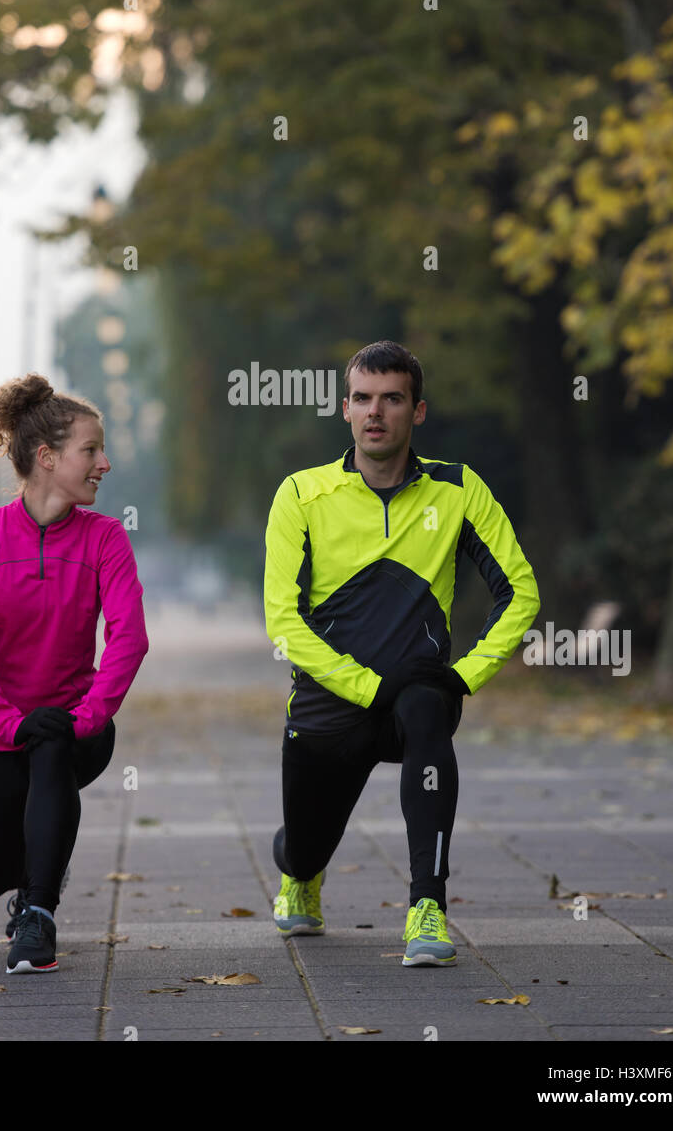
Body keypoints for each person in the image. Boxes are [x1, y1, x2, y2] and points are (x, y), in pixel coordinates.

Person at [264, 340, 540, 967]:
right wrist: (367, 687)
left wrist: (462, 678)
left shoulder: (459, 489)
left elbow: (520, 593)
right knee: (304, 847)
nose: (375, 412)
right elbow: (282, 621)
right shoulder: (301, 494)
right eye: (363, 399)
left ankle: (427, 907)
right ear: (345, 409)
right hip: (328, 705)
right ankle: (300, 874)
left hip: (415, 693)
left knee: (426, 708)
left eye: (392, 399)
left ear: (417, 411)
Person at [0, 374, 148, 974]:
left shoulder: (106, 539)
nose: (104, 464)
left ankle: (39, 915)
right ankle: (26, 885)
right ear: (47, 457)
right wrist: (9, 723)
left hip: (75, 727)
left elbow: (129, 638)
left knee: (52, 746)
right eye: (92, 450)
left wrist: (86, 717)